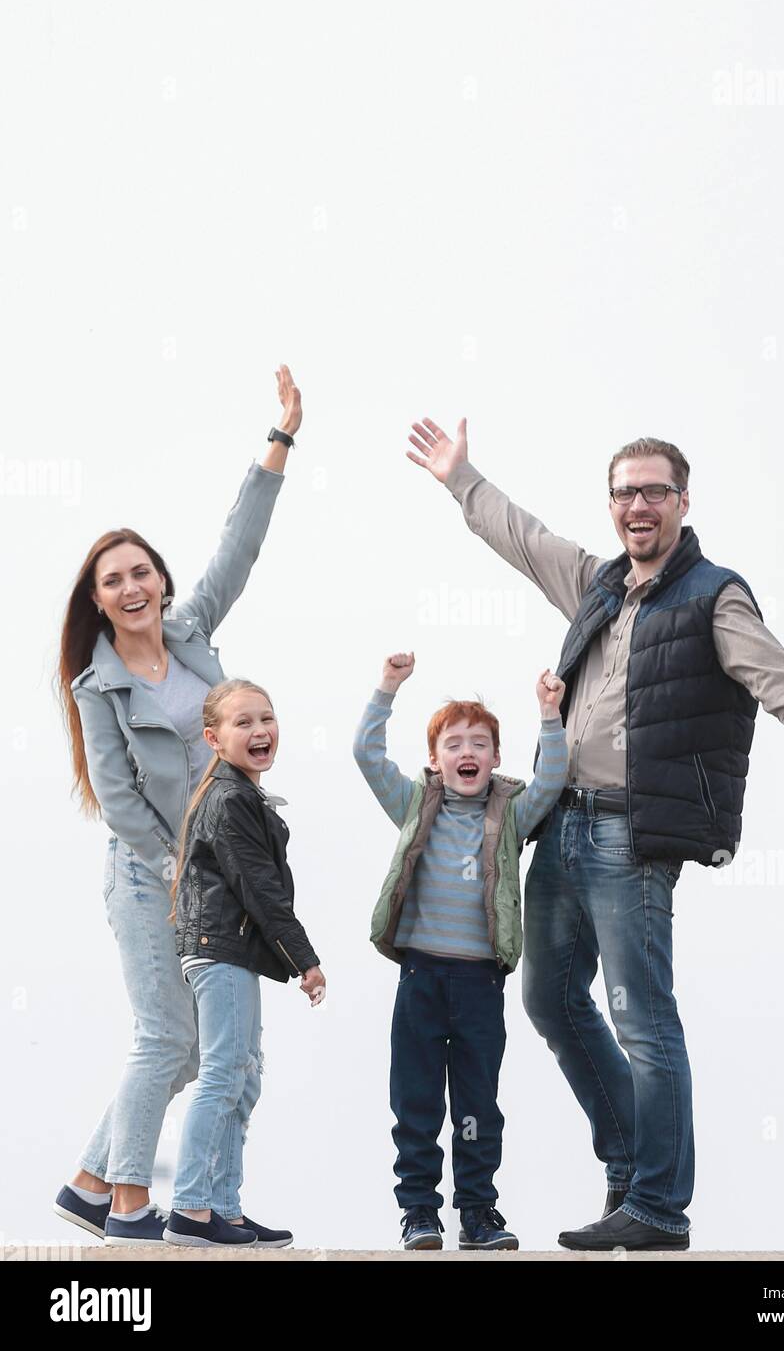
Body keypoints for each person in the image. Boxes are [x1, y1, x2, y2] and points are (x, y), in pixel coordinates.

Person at [406, 417, 784, 1252]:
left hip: (632, 838)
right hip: (560, 828)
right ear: (612, 505)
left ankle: (660, 1208)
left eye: (654, 492)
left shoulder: (712, 593)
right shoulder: (597, 584)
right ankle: (631, 1164)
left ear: (682, 501)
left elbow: (771, 671)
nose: (639, 505)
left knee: (642, 1015)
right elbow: (523, 539)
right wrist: (463, 478)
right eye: (625, 492)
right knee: (549, 998)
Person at [53, 365, 304, 1247]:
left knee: (197, 1051)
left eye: (141, 572)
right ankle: (126, 1204)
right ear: (98, 601)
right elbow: (119, 801)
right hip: (148, 874)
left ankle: (88, 1182)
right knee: (167, 1037)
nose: (132, 588)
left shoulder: (195, 636)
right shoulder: (99, 686)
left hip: (209, 873)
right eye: (112, 580)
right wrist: (176, 873)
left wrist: (279, 444)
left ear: (159, 581)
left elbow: (238, 546)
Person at [353, 652, 568, 1250]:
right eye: (453, 743)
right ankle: (419, 1211)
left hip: (479, 983)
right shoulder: (414, 807)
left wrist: (549, 714)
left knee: (477, 1105)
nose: (466, 751)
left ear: (496, 759)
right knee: (416, 1100)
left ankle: (477, 1212)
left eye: (479, 743)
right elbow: (367, 756)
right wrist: (387, 686)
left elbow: (552, 780)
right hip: (421, 977)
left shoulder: (512, 814)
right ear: (435, 759)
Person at [162, 679, 325, 1249]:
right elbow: (258, 889)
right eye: (243, 723)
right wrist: (304, 960)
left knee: (243, 1078)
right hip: (218, 952)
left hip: (228, 952)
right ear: (214, 738)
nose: (260, 731)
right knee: (225, 1074)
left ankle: (224, 1209)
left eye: (267, 719)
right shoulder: (230, 800)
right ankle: (190, 1209)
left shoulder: (243, 796)